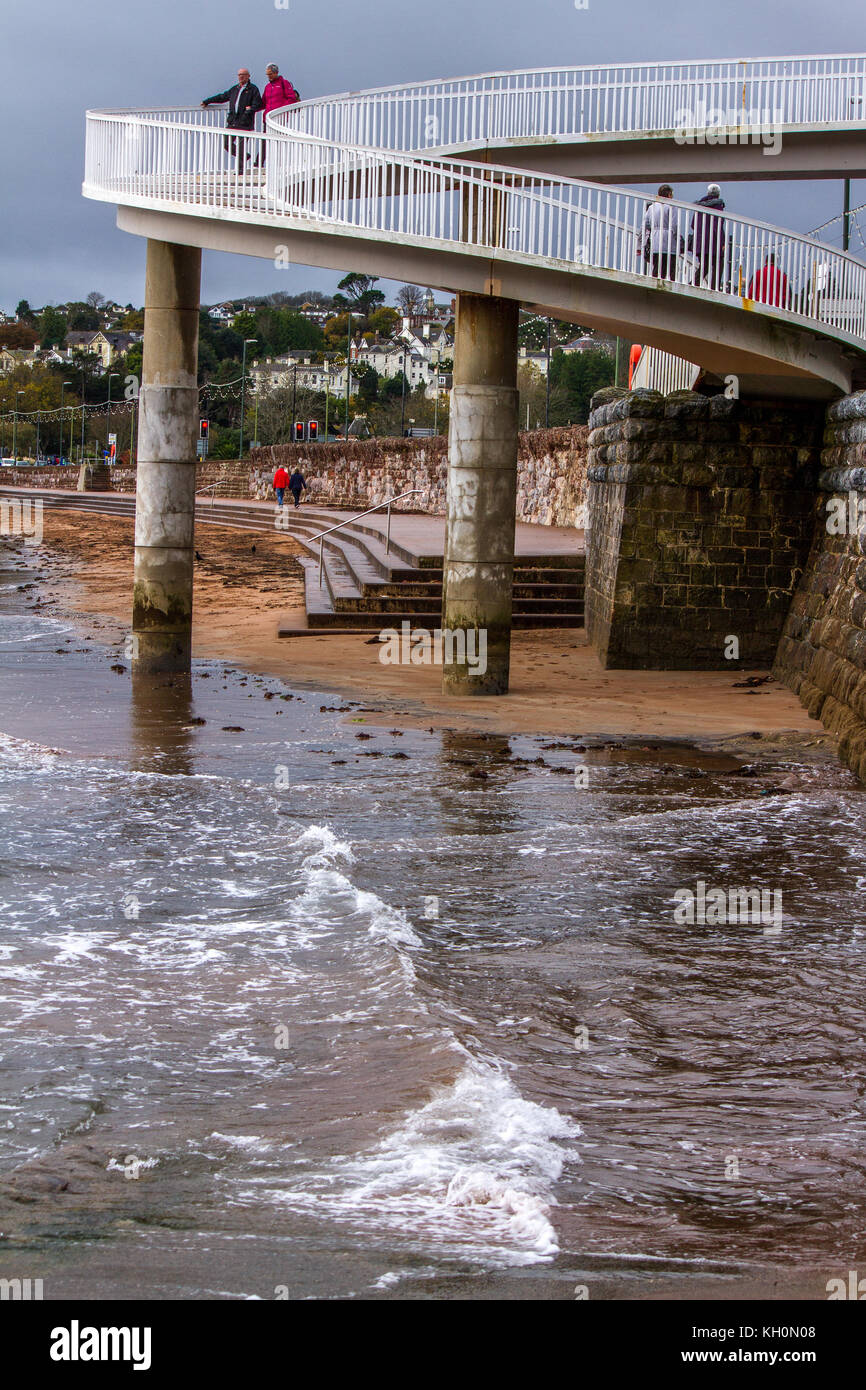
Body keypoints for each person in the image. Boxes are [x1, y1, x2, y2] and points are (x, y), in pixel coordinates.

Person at [201, 68, 263, 169]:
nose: (241, 77)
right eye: (239, 75)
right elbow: (222, 97)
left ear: (248, 76)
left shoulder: (253, 89)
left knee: (241, 145)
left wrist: (250, 109)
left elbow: (258, 104)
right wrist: (207, 101)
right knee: (226, 143)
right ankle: (245, 156)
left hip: (245, 122)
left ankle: (240, 169)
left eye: (243, 75)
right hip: (233, 122)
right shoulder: (235, 89)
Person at [254, 64, 300, 167]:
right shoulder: (268, 86)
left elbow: (291, 98)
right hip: (268, 118)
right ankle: (258, 163)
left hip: (279, 117)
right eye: (267, 74)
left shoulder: (284, 83)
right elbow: (263, 102)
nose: (268, 76)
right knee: (265, 141)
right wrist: (252, 108)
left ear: (276, 73)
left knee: (278, 141)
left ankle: (278, 164)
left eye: (270, 74)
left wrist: (280, 110)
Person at [689, 183, 727, 291]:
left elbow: (693, 225)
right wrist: (722, 242)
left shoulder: (700, 205)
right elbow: (717, 225)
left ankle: (694, 283)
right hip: (713, 241)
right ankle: (714, 288)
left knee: (705, 264)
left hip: (700, 241)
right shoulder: (718, 205)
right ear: (718, 194)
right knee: (719, 262)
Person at [641, 185, 680, 281]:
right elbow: (674, 225)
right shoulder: (671, 206)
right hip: (668, 240)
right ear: (669, 194)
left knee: (657, 267)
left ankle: (655, 285)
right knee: (670, 269)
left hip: (655, 240)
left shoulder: (651, 207)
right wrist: (677, 237)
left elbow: (646, 223)